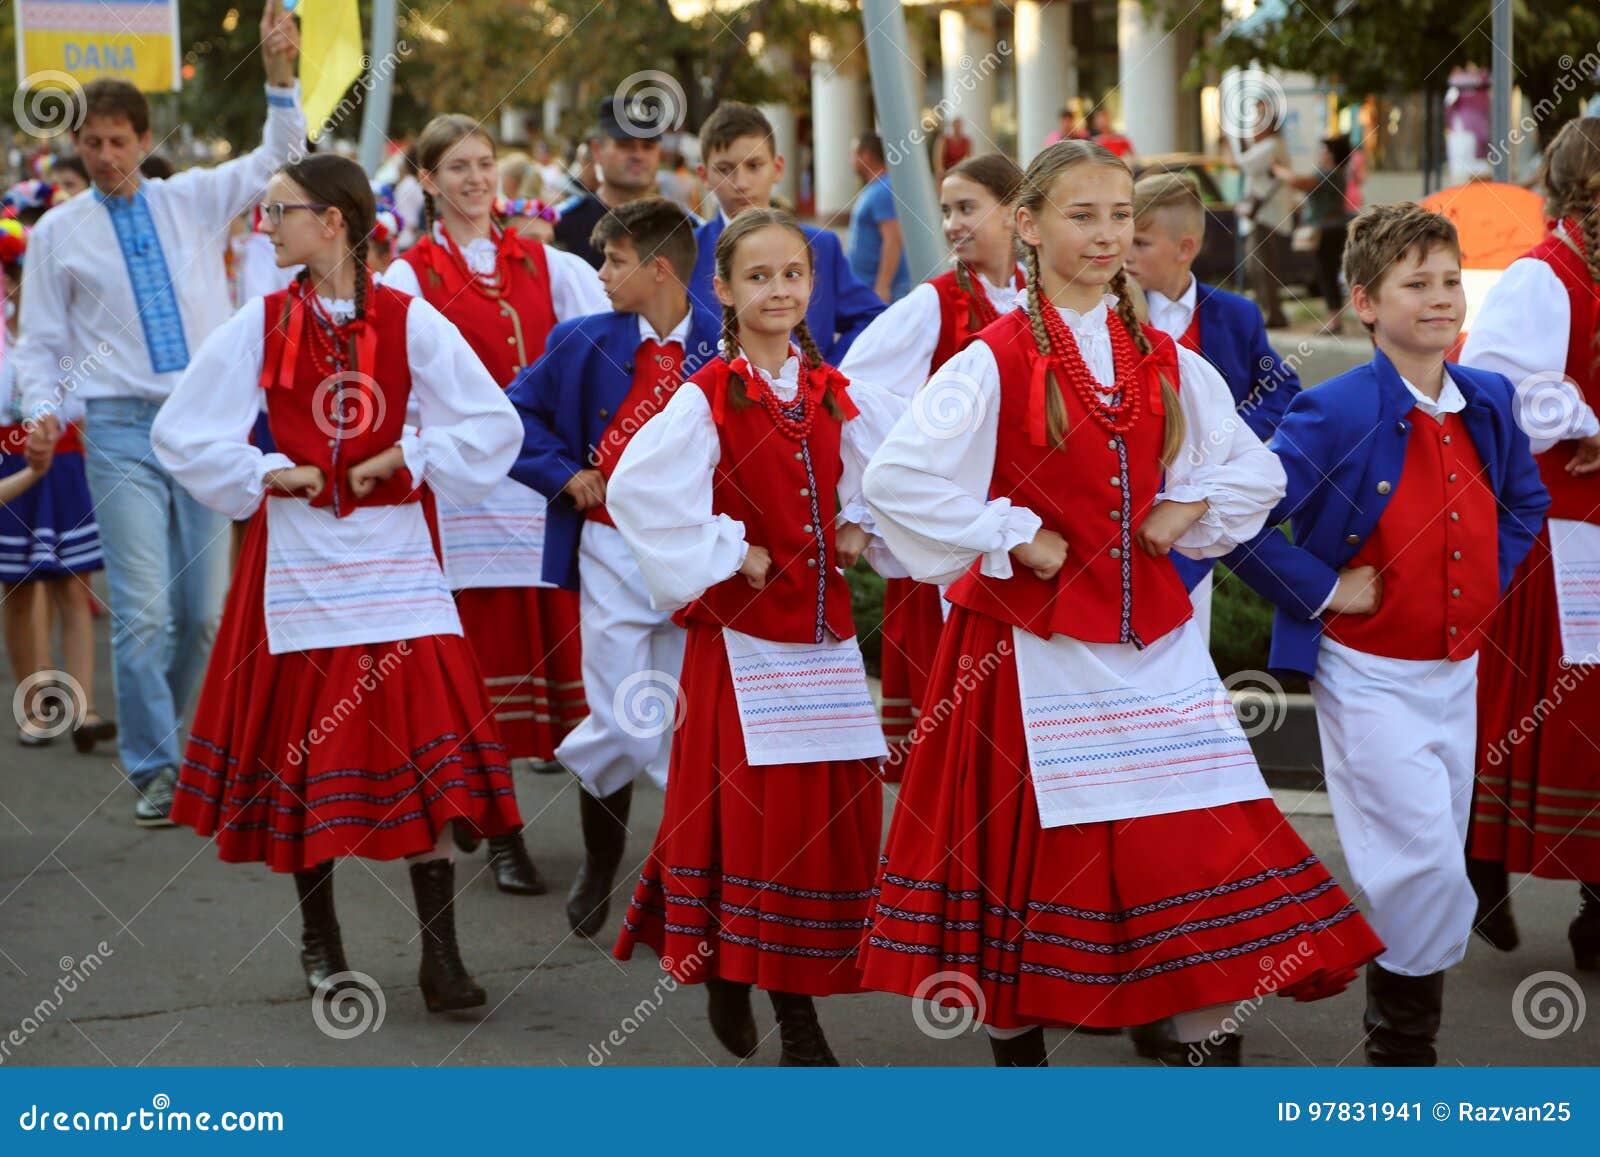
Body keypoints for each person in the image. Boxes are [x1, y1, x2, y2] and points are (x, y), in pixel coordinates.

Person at [857, 140, 1382, 1068]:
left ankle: (1196, 1051)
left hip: (1154, 648)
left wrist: (1189, 504)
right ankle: (1028, 1069)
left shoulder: (1161, 358)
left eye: (1118, 221)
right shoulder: (995, 357)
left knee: (1191, 840)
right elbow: (898, 477)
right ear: (1028, 226)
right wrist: (1011, 531)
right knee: (1020, 868)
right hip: (1030, 652)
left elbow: (1253, 467)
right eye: (1081, 216)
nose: (1105, 237)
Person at [149, 153, 524, 1012]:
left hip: (395, 563)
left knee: (430, 754)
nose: (266, 225)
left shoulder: (408, 318)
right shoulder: (262, 320)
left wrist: (413, 454)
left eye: (279, 211)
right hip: (300, 570)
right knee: (303, 759)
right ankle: (322, 941)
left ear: (334, 222)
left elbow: (492, 423)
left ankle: (441, 957)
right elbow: (183, 431)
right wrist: (263, 469)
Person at [1222, 203, 1549, 1064]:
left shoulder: (1491, 397)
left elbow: (1526, 500)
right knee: (1421, 867)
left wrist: (1486, 577)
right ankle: (1400, 1055)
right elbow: (1241, 522)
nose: (1440, 299)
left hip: (1458, 670)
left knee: (1432, 852)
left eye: (1450, 281)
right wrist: (1325, 587)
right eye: (1417, 284)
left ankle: (1405, 1041)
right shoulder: (1331, 412)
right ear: (1366, 302)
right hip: (1366, 673)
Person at [608, 208, 901, 1065]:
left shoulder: (833, 392)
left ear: (812, 288)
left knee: (823, 820)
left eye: (793, 276)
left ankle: (761, 976)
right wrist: (730, 549)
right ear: (726, 292)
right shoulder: (706, 398)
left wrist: (857, 519)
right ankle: (787, 1015)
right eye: (760, 277)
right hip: (742, 648)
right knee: (757, 823)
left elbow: (889, 471)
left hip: (824, 647)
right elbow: (638, 491)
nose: (780, 290)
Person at [15, 1, 305, 827]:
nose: (105, 156)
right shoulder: (56, 235)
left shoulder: (194, 201)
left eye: (119, 140)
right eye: (91, 142)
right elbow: (39, 344)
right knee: (142, 609)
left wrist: (278, 77)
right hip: (116, 430)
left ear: (144, 141)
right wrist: (41, 409)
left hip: (206, 427)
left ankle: (178, 740)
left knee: (203, 612)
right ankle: (154, 764)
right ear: (76, 146)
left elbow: (278, 161)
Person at [384, 113, 610, 894]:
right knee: (478, 667)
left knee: (568, 659)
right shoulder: (407, 279)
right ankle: (499, 823)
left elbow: (603, 345)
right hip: (465, 501)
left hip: (545, 489)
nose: (477, 179)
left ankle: (597, 842)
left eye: (484, 163)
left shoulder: (550, 266)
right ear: (427, 180)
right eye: (457, 167)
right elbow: (397, 389)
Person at [507, 197, 717, 938]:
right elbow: (514, 413)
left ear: (659, 269)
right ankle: (605, 861)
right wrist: (563, 470)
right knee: (628, 716)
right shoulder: (581, 340)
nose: (601, 274)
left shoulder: (725, 342)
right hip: (608, 548)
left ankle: (676, 883)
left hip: (702, 557)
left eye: (615, 260)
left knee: (693, 720)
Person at [1459, 117, 1600, 972]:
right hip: (1568, 532)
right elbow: (1504, 387)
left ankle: (1594, 906)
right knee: (1555, 707)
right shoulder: (1544, 276)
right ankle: (1481, 862)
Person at [840, 153, 1024, 772]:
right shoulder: (933, 303)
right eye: (945, 210)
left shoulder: (1039, 299)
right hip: (953, 536)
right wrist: (896, 494)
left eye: (967, 207)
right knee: (950, 716)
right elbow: (857, 394)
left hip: (1027, 530)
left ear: (1015, 212)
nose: (950, 224)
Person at [1124, 171, 1301, 643]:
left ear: (1184, 249)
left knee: (1187, 645)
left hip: (1200, 511)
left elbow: (1282, 385)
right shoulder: (1115, 313)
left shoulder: (1234, 314)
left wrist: (1229, 434)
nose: (1125, 253)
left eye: (1140, 243)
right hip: (1134, 510)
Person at [0, 219, 112, 752]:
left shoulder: (68, 332)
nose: (17, 284)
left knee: (73, 582)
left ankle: (84, 707)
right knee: (19, 587)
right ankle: (36, 703)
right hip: (8, 456)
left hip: (64, 458)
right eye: (12, 274)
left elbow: (83, 400)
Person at [692, 103, 883, 364]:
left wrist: (827, 373)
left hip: (808, 400)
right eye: (725, 170)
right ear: (704, 175)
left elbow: (873, 320)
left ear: (778, 167)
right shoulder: (686, 252)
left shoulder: (821, 246)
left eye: (754, 165)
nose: (741, 183)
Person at [554, 99, 668, 268]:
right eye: (625, 145)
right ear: (597, 150)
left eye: (648, 146)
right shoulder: (562, 223)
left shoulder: (683, 227)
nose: (638, 155)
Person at [1274, 136, 1356, 334]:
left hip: (1328, 231)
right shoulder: (1338, 174)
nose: (1321, 154)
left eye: (1324, 151)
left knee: (1326, 273)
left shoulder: (1328, 174)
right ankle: (1333, 318)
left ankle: (1333, 320)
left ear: (1331, 155)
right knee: (1328, 273)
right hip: (1333, 228)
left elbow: (1298, 181)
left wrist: (1277, 168)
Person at [1232, 119, 1293, 329]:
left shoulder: (1271, 146)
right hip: (1264, 216)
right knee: (1258, 265)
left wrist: (1230, 144)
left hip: (1266, 216)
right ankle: (1270, 311)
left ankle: (1272, 313)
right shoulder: (1271, 146)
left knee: (1261, 266)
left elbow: (1241, 163)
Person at [848, 132, 911, 303]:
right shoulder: (877, 187)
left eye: (853, 154)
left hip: (884, 291)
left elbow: (893, 240)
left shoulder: (884, 189)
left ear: (866, 156)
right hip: (869, 286)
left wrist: (882, 286)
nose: (850, 160)